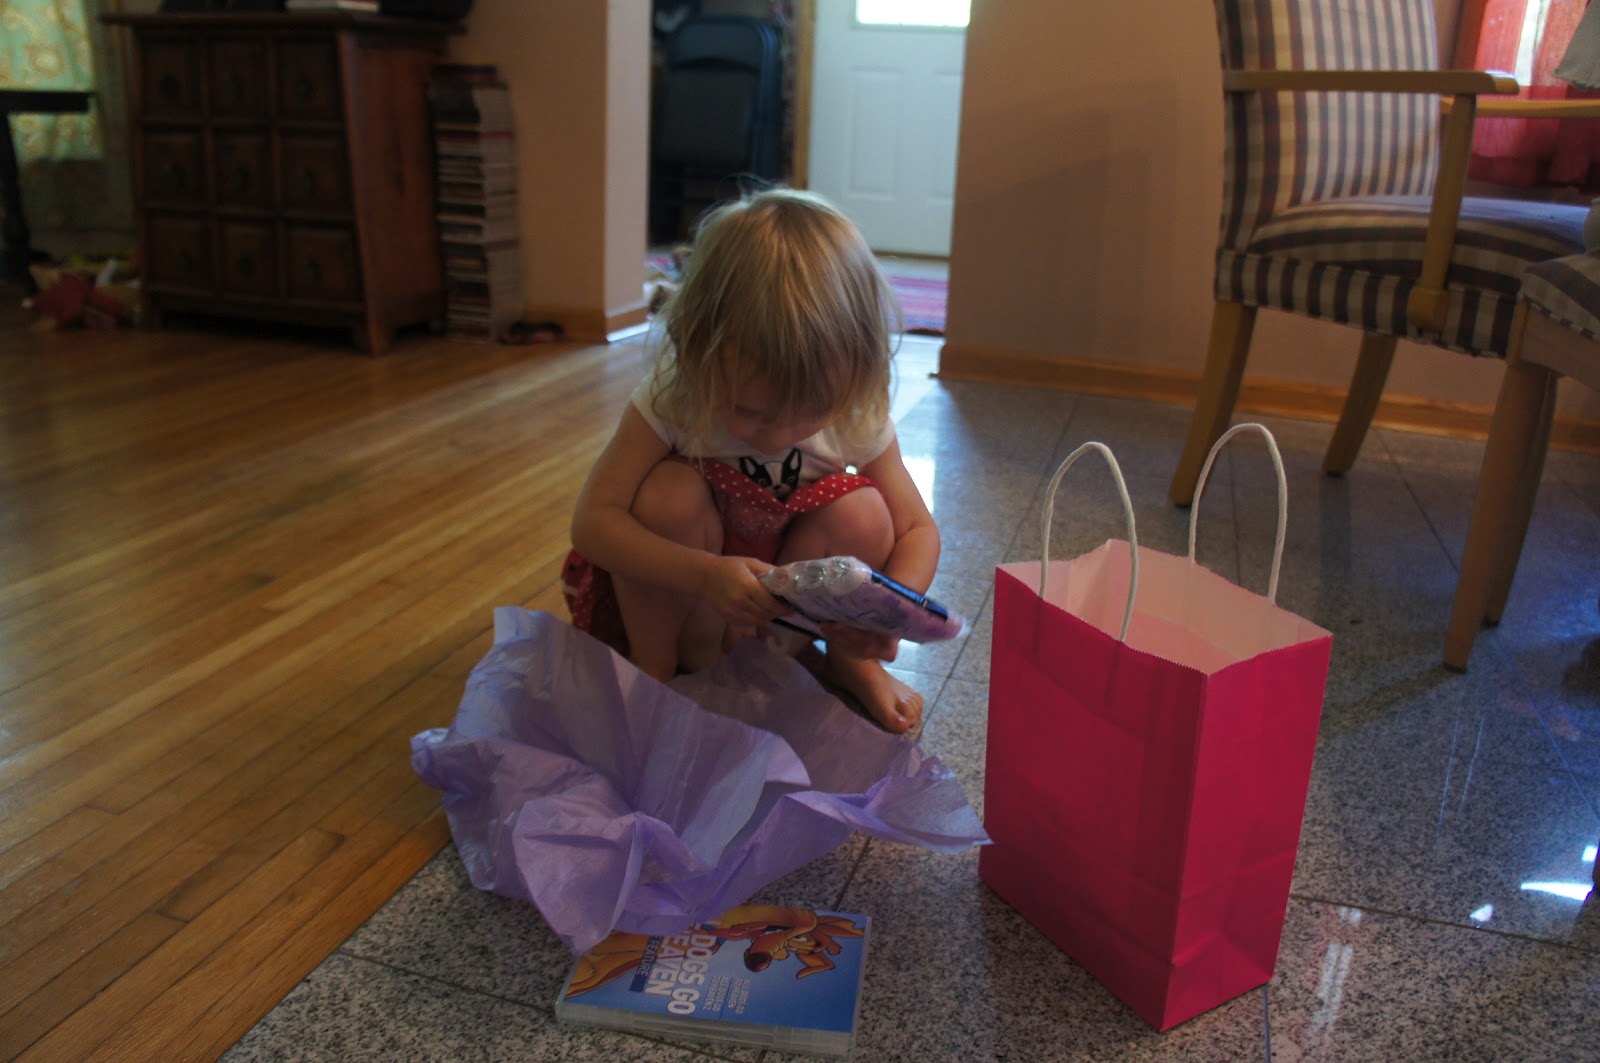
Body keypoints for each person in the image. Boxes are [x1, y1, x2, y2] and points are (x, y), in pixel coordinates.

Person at [565, 189, 939, 734]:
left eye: (811, 411)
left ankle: (847, 662)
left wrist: (889, 613)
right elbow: (593, 523)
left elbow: (916, 528)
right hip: (691, 601)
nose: (780, 433)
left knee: (867, 513)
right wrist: (705, 575)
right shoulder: (676, 400)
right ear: (696, 351)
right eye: (748, 410)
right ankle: (656, 669)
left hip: (781, 621)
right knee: (667, 494)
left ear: (858, 367)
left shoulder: (855, 411)